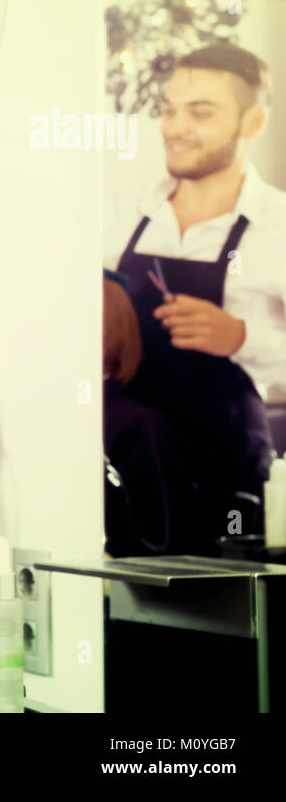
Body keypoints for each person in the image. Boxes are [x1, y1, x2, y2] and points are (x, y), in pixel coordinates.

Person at [104, 44, 285, 545]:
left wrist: (242, 337)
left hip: (228, 477)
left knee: (228, 613)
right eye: (169, 109)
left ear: (253, 123)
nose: (175, 127)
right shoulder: (122, 216)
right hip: (133, 469)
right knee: (131, 614)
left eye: (200, 113)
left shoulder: (280, 228)